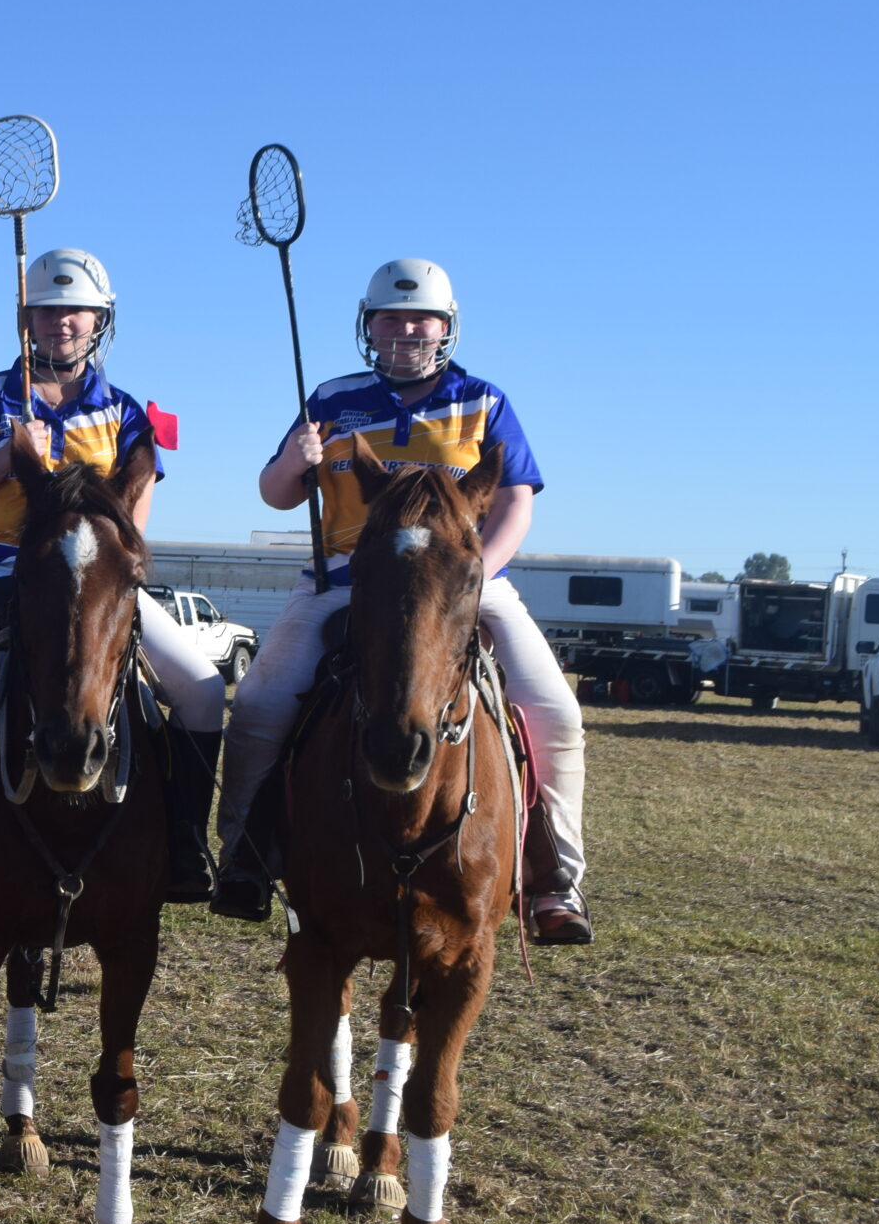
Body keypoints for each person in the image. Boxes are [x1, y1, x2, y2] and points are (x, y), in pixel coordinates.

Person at [209, 258, 592, 943]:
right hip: (346, 581)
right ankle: (244, 854)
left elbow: (514, 504)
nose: (407, 330)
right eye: (391, 317)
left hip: (462, 589)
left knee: (556, 711)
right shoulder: (332, 397)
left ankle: (554, 881)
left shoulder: (485, 401)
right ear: (369, 325)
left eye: (423, 319)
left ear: (447, 328)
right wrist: (296, 459)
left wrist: (475, 577)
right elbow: (276, 492)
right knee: (262, 704)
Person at [0, 249, 226, 899]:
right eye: (47, 309)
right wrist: (7, 458)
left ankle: (185, 840)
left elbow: (135, 521)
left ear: (100, 320)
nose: (60, 321)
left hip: (96, 582)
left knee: (202, 689)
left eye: (74, 310)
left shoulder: (125, 412)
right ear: (26, 317)